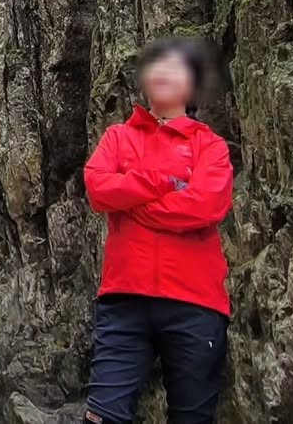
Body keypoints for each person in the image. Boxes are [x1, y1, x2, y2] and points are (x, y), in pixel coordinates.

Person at [83, 37, 233, 424]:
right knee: (102, 416)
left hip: (195, 304)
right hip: (123, 300)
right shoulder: (118, 136)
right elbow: (99, 188)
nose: (164, 72)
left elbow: (205, 206)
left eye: (177, 66)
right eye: (156, 65)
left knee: (192, 417)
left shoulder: (211, 146)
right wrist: (162, 182)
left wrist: (131, 200)